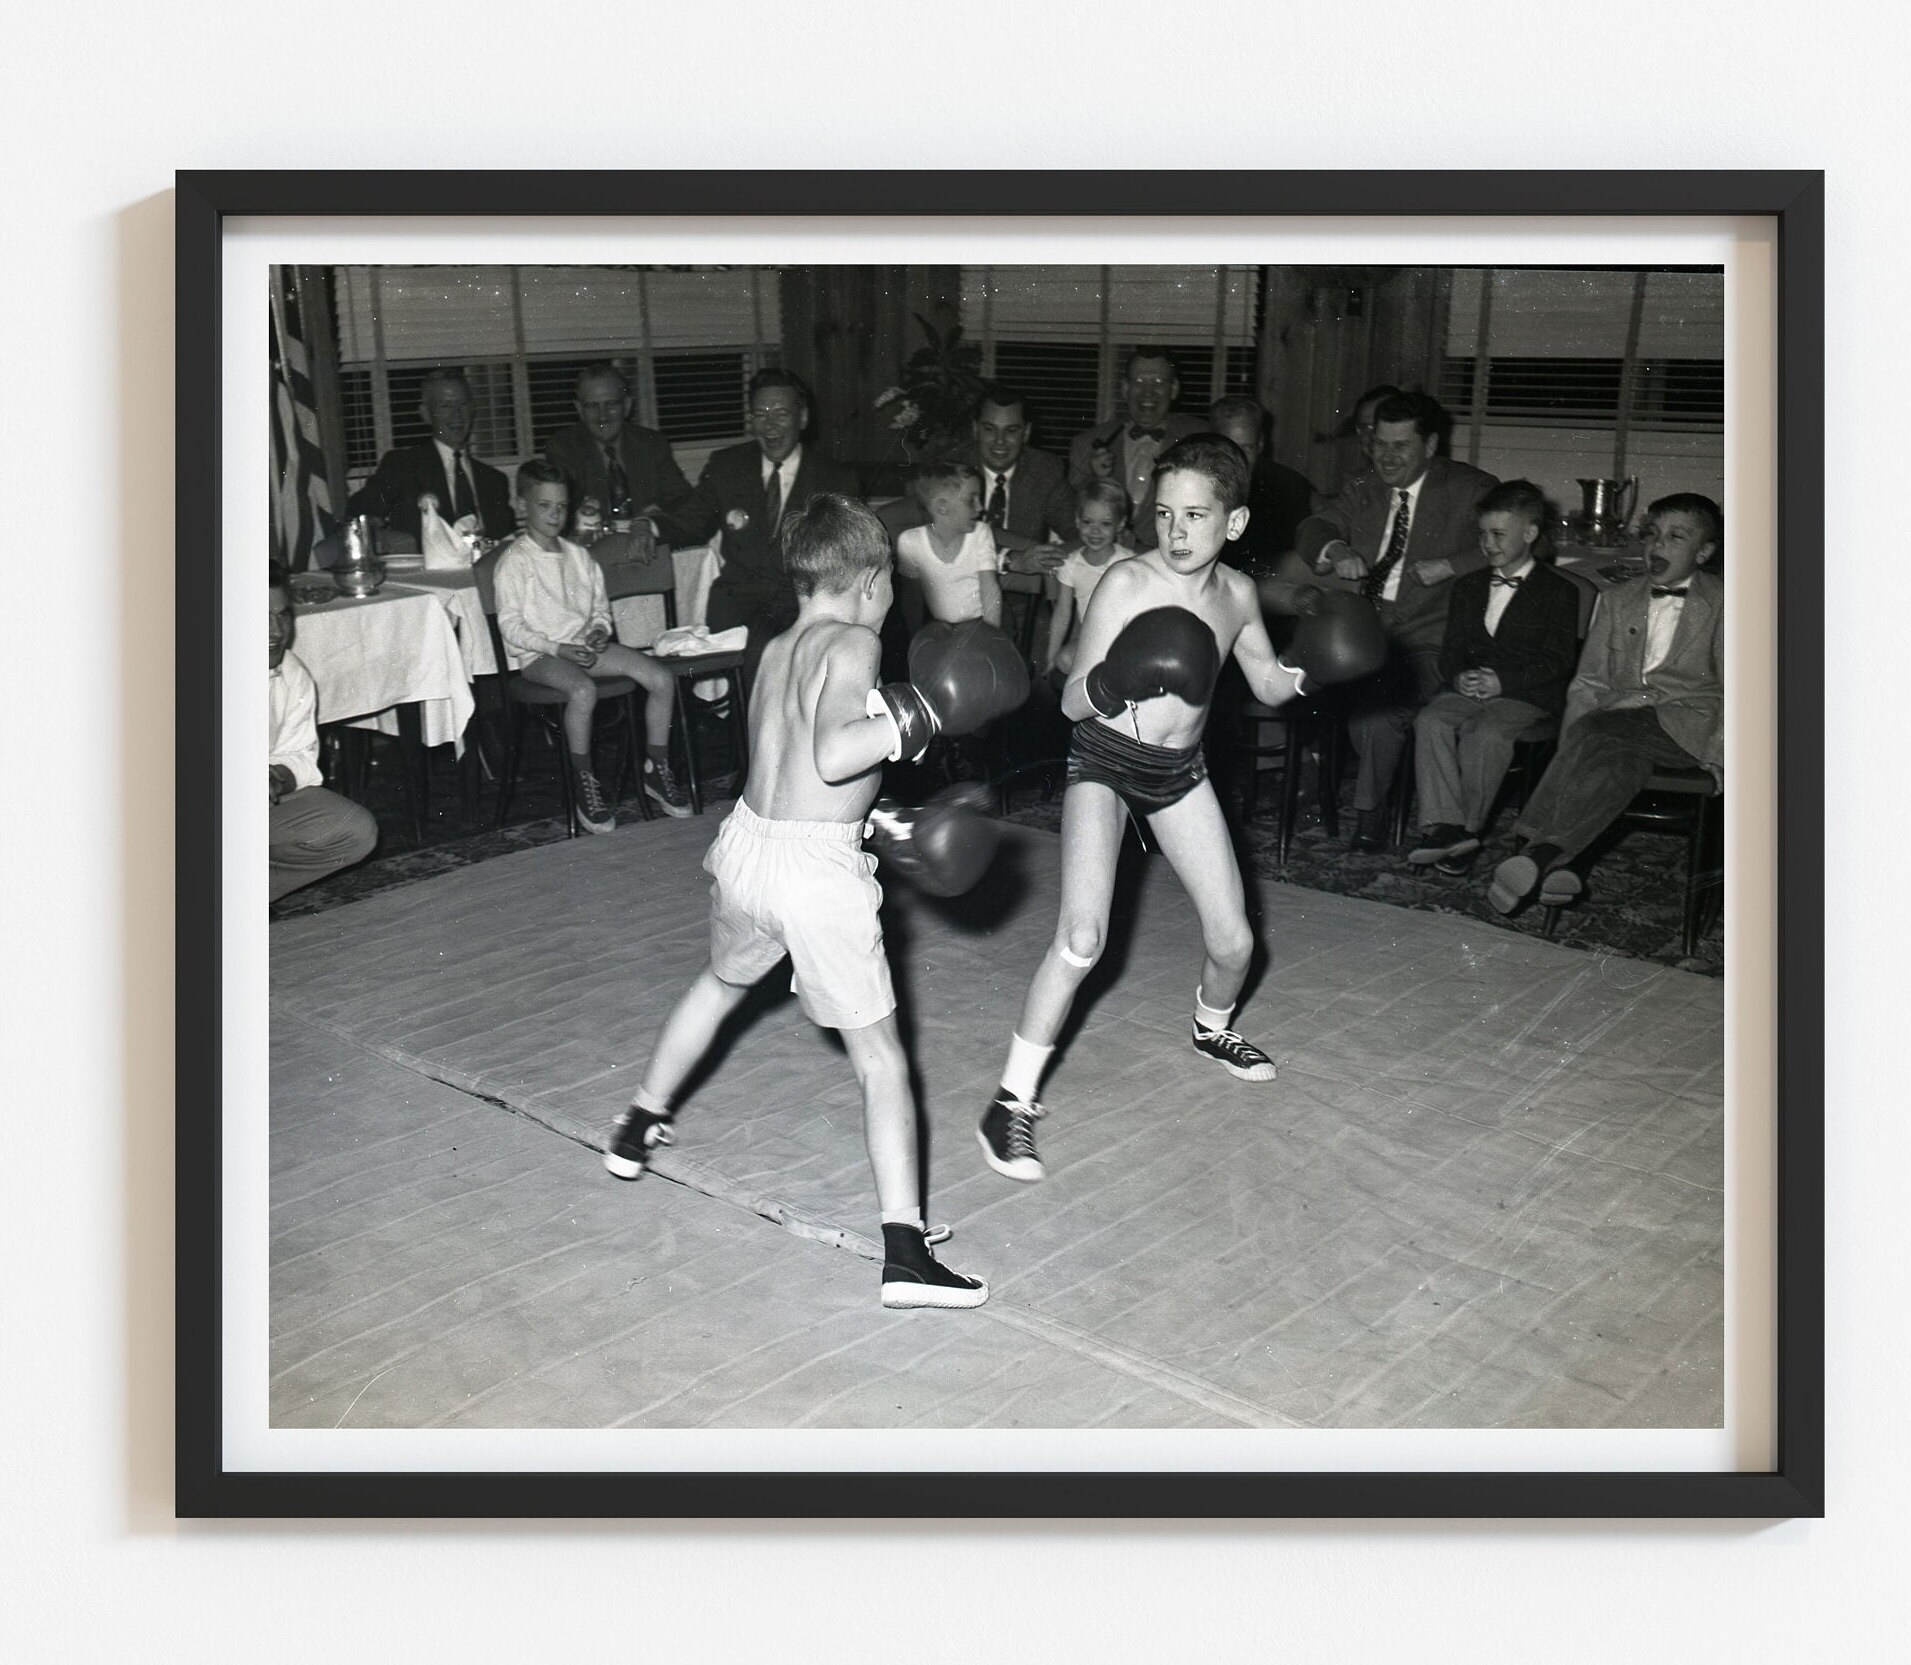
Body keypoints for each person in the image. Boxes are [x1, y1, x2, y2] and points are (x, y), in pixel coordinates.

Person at [603, 493, 1025, 1309]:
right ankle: (905, 1251)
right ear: (870, 581)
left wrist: (876, 815)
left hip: (747, 844)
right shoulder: (858, 640)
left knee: (717, 986)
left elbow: (792, 762)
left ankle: (637, 1122)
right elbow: (834, 753)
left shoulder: (778, 646)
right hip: (809, 872)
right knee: (880, 1059)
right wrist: (924, 711)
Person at [980, 436, 1317, 1185]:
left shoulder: (1235, 594)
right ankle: (1009, 1101)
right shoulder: (1128, 584)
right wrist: (1118, 679)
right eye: (1164, 513)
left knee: (1233, 944)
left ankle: (1210, 1030)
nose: (1176, 531)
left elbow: (1264, 681)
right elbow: (1071, 701)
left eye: (1196, 515)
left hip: (1179, 771)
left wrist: (1317, 665)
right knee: (1080, 939)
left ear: (1233, 523)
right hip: (1103, 761)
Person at [1487, 493, 1724, 916]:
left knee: (1600, 729)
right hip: (1621, 730)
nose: (1657, 546)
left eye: (1676, 537)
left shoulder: (1728, 603)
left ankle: (1532, 849)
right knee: (1618, 763)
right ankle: (1567, 864)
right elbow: (1589, 681)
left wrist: (1720, 756)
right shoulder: (1618, 599)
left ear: (1703, 552)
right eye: (1652, 534)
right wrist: (1570, 747)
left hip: (1690, 726)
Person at [1293, 391, 1500, 849]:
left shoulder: (1471, 490)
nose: (1385, 457)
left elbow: (1527, 546)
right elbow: (1314, 527)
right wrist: (1337, 549)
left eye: (1400, 446)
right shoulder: (1363, 487)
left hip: (1427, 638)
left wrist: (1452, 565)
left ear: (1430, 445)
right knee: (1279, 678)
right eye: (1379, 444)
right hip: (1359, 633)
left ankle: (1370, 815)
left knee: (1377, 712)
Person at [491, 460, 692, 829]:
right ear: (523, 506)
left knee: (661, 678)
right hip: (541, 655)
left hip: (584, 648)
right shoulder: (515, 562)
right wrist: (556, 648)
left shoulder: (579, 556)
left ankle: (656, 768)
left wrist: (599, 629)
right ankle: (584, 781)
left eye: (562, 506)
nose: (555, 515)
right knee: (582, 691)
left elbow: (599, 609)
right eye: (544, 506)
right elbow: (511, 626)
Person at [1406, 481, 1582, 876]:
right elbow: (1451, 649)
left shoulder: (1559, 592)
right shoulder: (1467, 587)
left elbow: (1557, 660)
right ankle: (1444, 827)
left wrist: (1502, 682)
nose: (1488, 543)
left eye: (1499, 534)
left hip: (1524, 694)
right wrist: (1461, 674)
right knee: (1430, 720)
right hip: (1468, 688)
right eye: (1482, 534)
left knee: (1485, 734)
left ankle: (1467, 831)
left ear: (1530, 534)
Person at [675, 369, 860, 673]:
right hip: (737, 604)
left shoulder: (835, 478)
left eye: (781, 413)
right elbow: (691, 519)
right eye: (760, 414)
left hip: (801, 604)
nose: (770, 425)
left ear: (802, 419)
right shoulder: (727, 465)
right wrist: (650, 528)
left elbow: (843, 556)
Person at [878, 386, 1076, 572]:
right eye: (989, 429)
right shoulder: (949, 468)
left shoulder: (1046, 471)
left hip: (1022, 600)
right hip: (954, 592)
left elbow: (1082, 533)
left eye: (1011, 430)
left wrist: (1047, 558)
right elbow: (931, 535)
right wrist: (1009, 559)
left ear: (1026, 433)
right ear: (975, 429)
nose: (1000, 441)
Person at [269, 566, 378, 901]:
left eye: (283, 615)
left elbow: (301, 755)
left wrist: (276, 778)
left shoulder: (291, 672)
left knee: (354, 831)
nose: (275, 630)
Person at [346, 368, 516, 546]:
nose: (457, 415)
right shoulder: (403, 467)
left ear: (473, 409)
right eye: (446, 406)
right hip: (426, 572)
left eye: (463, 404)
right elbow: (358, 513)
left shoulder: (493, 481)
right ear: (426, 414)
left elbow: (507, 544)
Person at [542, 364, 697, 553]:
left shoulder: (651, 443)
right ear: (579, 409)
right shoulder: (563, 448)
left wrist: (650, 521)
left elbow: (683, 501)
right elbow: (566, 509)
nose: (602, 416)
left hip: (649, 551)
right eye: (592, 406)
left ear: (628, 405)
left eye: (611, 404)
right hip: (592, 554)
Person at [1067, 348, 1205, 548]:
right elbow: (1071, 516)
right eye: (1139, 382)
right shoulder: (1088, 443)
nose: (1147, 392)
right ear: (1124, 389)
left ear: (1174, 389)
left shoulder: (1199, 439)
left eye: (1159, 382)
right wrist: (1096, 479)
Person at [1207, 395, 1316, 570]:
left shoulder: (1287, 487)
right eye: (1229, 447)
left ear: (1260, 445)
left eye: (1247, 448)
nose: (1238, 458)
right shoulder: (1196, 484)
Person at [1040, 479, 1131, 680]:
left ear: (1120, 524)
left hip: (1126, 639)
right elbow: (1062, 613)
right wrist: (1050, 657)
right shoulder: (1071, 564)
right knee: (1063, 660)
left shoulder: (1128, 562)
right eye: (1088, 522)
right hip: (1090, 641)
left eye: (1106, 523)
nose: (1095, 531)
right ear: (1077, 521)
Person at [894, 461, 1003, 629]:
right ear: (942, 507)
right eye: (971, 500)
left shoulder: (980, 533)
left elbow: (990, 591)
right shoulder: (911, 542)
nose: (981, 508)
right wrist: (915, 641)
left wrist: (989, 638)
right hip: (941, 628)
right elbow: (911, 599)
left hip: (984, 622)